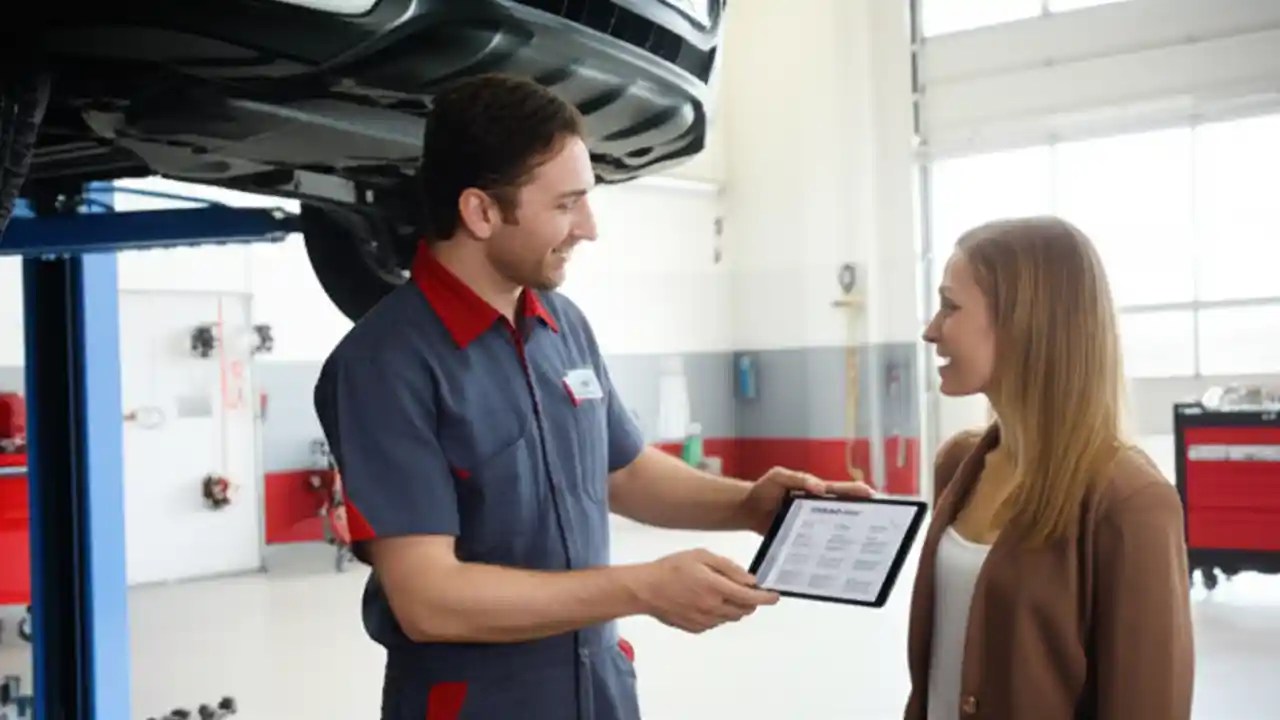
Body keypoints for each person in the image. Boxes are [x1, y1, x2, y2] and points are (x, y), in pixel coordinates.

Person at [312, 73, 873, 720]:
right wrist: (642, 587)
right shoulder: (385, 365)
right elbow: (428, 599)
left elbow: (623, 471)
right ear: (481, 212)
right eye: (566, 205)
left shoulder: (562, 325)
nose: (589, 228)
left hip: (596, 693)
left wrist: (749, 505)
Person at [908, 216, 1194, 719]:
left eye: (950, 307)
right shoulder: (959, 465)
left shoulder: (1131, 503)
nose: (931, 330)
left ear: (1024, 323)